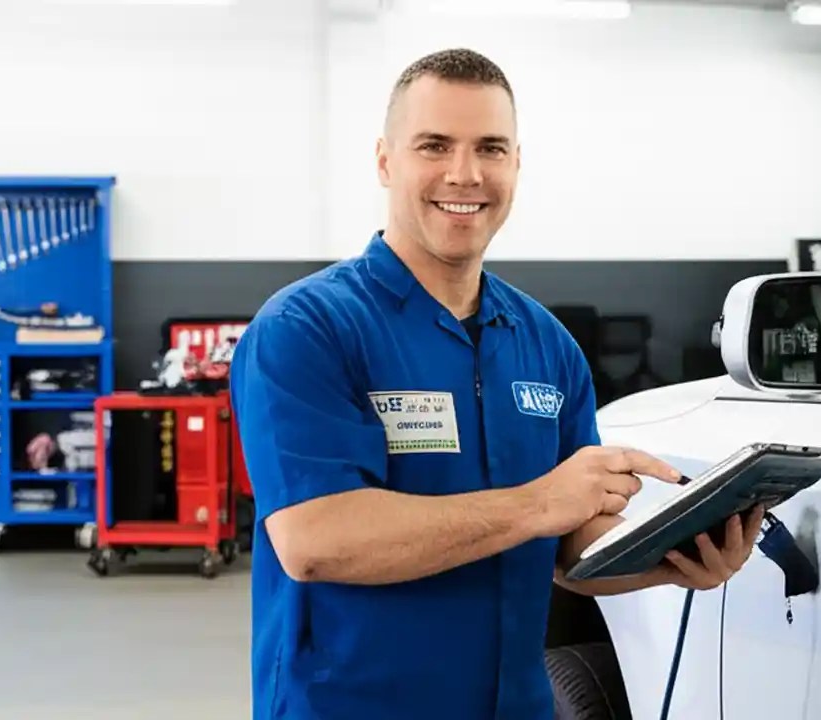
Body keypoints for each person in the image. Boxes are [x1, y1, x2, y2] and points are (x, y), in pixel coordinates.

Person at [229, 48, 767, 720]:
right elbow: (316, 541)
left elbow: (571, 552)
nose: (465, 173)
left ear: (516, 163)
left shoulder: (546, 347)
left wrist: (671, 554)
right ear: (385, 160)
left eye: (490, 147)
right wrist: (540, 503)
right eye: (434, 145)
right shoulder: (307, 329)